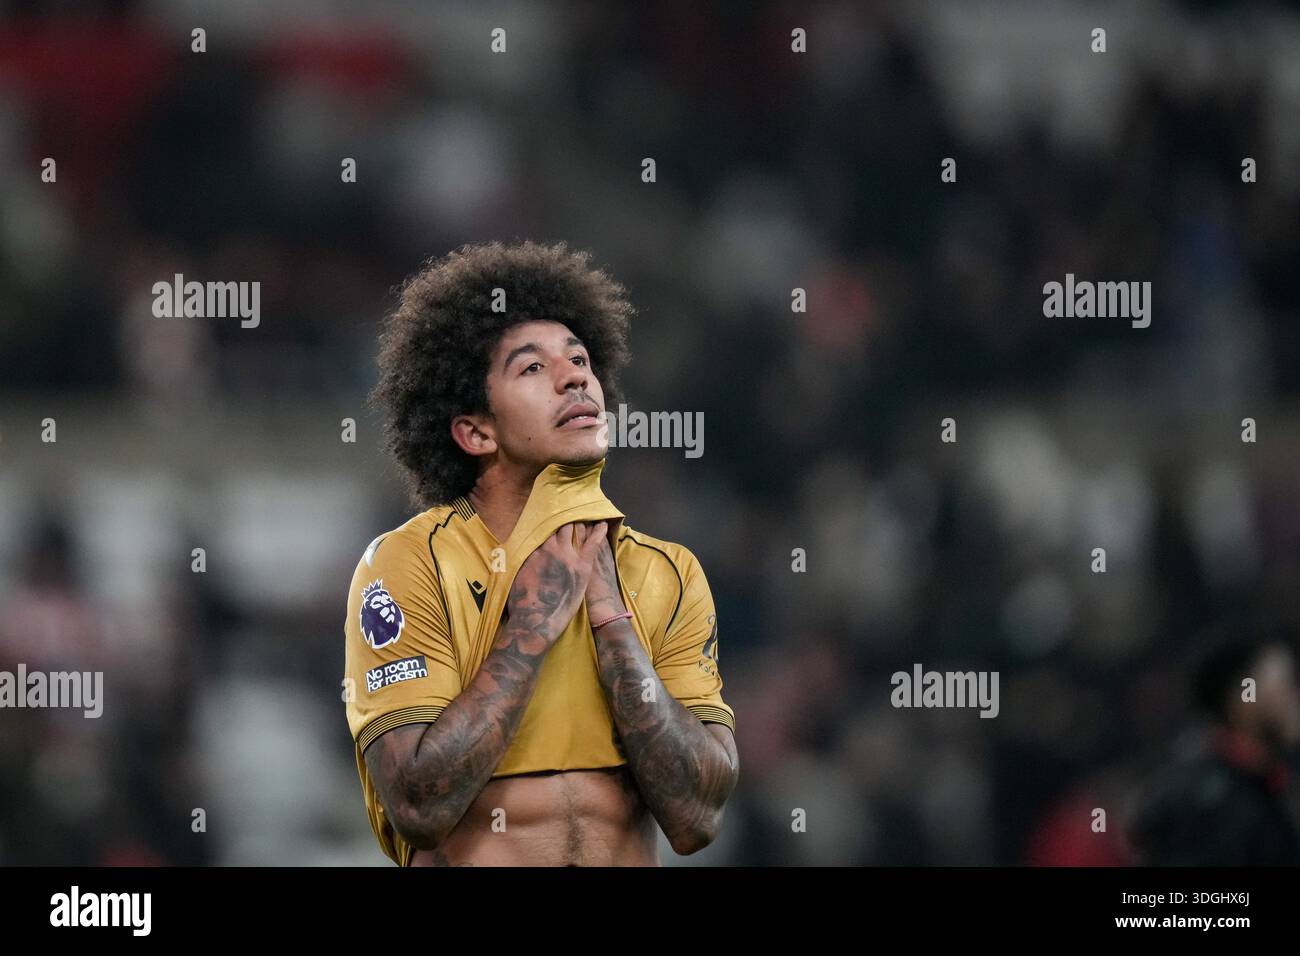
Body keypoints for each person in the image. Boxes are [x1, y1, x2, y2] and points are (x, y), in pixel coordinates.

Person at [342, 240, 738, 866]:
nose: (575, 376)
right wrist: (529, 629)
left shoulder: (667, 573)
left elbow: (696, 817)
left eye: (579, 360)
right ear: (475, 432)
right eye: (532, 368)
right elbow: (419, 805)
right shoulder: (411, 564)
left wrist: (613, 624)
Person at [1129, 633, 1300, 865]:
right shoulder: (1204, 802)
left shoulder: (1261, 782)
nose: (1294, 700)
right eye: (1286, 685)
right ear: (1243, 698)